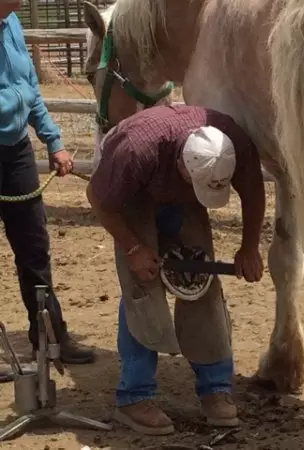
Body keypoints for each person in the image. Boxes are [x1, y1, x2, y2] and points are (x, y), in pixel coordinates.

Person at [87, 104, 266, 435]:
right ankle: (135, 396)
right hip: (132, 194)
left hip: (183, 198)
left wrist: (250, 246)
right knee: (143, 289)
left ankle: (216, 389)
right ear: (183, 166)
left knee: (202, 283)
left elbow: (254, 190)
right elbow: (99, 200)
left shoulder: (231, 143)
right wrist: (133, 248)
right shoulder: (135, 150)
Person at [0, 2, 95, 364]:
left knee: (35, 248)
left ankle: (49, 336)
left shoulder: (12, 24)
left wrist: (54, 141)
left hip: (16, 149)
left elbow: (30, 89)